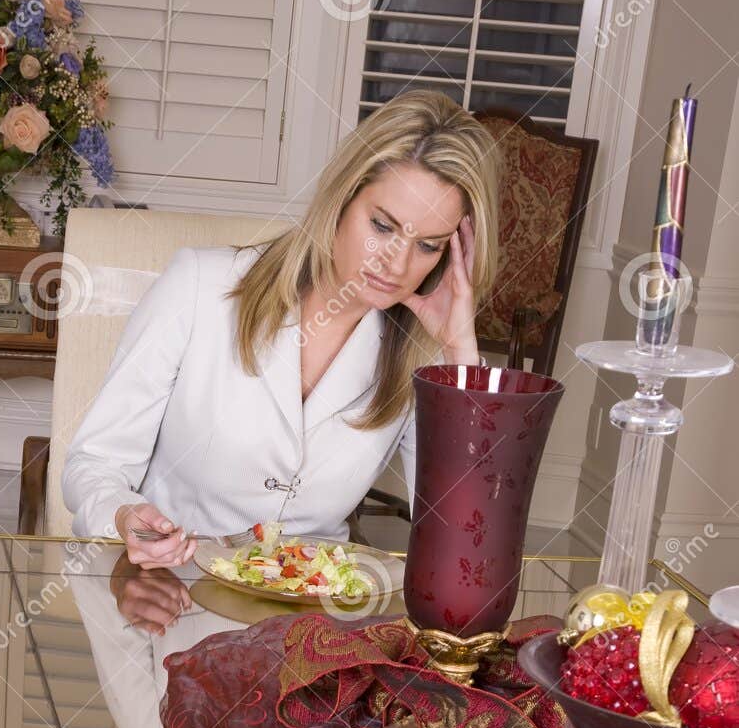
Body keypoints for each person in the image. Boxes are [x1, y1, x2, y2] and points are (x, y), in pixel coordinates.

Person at [61, 88, 499, 630]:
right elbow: (93, 465)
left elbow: (465, 535)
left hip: (318, 634)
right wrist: (125, 516)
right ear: (340, 200)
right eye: (382, 227)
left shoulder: (420, 356)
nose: (397, 262)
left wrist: (460, 350)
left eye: (428, 245)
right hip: (169, 607)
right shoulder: (200, 287)